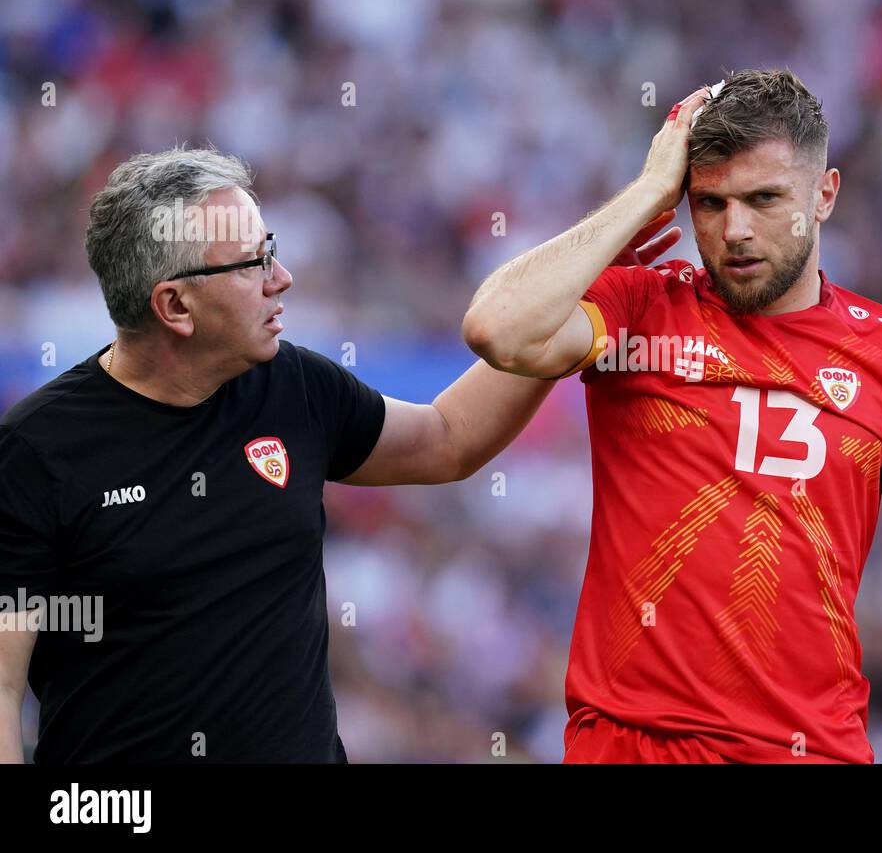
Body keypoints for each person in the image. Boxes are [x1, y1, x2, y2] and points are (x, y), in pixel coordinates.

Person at [463, 69, 882, 763]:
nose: (736, 231)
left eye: (764, 199)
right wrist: (641, 197)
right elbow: (496, 330)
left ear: (825, 195)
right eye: (709, 203)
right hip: (630, 747)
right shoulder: (637, 310)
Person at [0, 148, 555, 763]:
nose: (282, 276)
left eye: (273, 247)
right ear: (175, 307)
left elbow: (449, 438)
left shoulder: (294, 387)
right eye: (253, 262)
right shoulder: (38, 449)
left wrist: (577, 305)